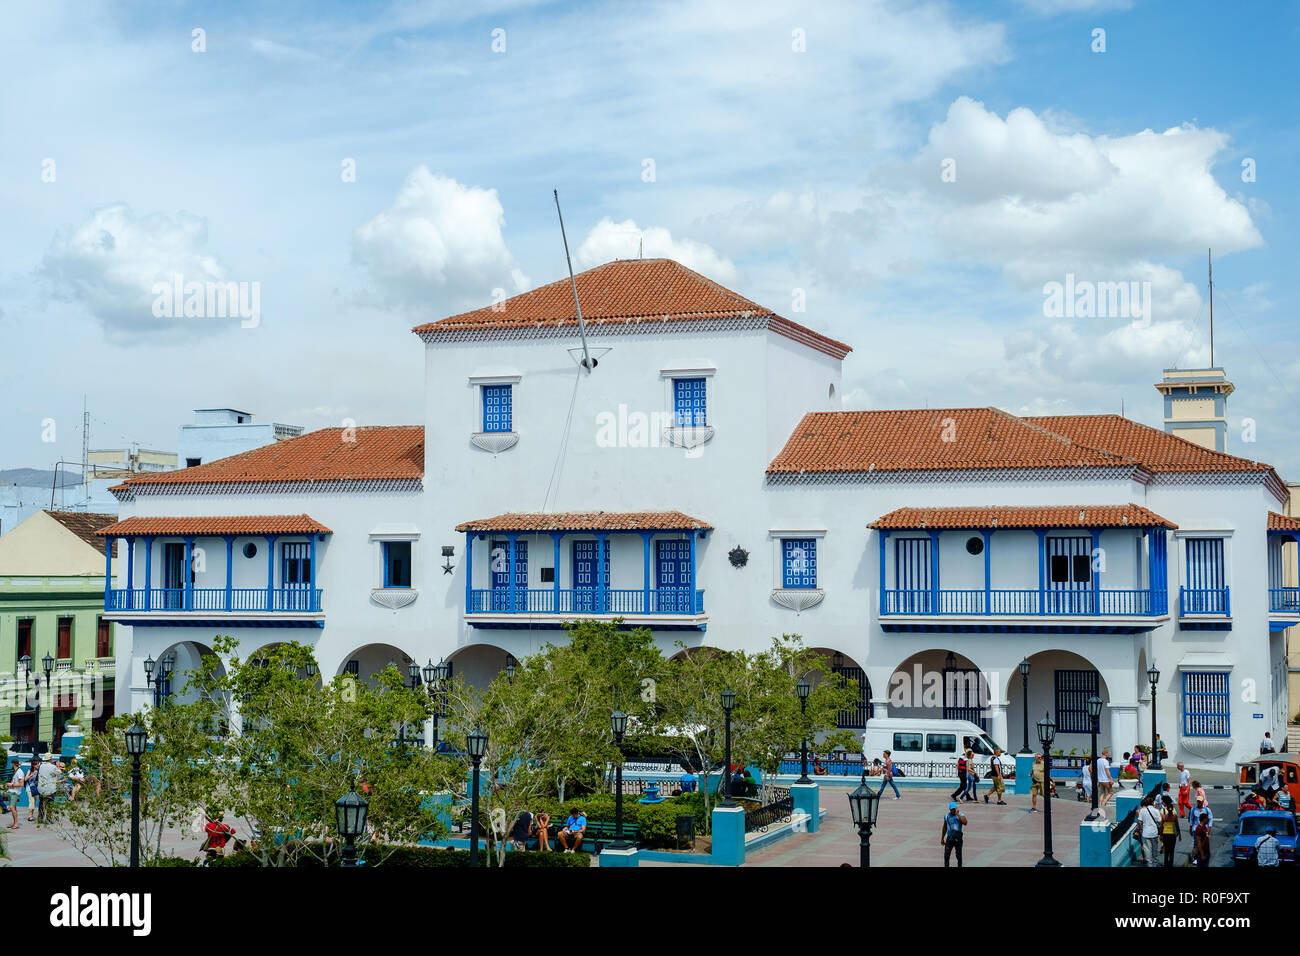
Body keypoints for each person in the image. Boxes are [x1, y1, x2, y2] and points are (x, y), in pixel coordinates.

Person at [36, 753, 62, 825]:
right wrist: (58, 766)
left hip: (41, 788)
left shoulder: (41, 766)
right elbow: (59, 774)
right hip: (50, 788)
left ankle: (40, 818)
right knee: (50, 804)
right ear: (50, 759)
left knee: (41, 803)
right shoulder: (53, 767)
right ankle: (48, 818)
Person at [1137, 795, 1162, 867]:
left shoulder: (1142, 811)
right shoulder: (1156, 811)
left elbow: (1139, 822)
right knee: (1155, 849)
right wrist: (1161, 831)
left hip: (1145, 833)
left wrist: (1141, 829)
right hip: (1154, 833)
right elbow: (1160, 822)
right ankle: (1155, 863)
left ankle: (1149, 864)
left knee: (1147, 850)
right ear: (1152, 803)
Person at [941, 801, 967, 867]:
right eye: (952, 809)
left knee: (958, 856)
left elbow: (965, 822)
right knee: (946, 855)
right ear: (949, 809)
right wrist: (942, 838)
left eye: (954, 809)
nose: (953, 810)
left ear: (956, 808)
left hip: (958, 839)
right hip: (949, 838)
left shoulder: (961, 814)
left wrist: (958, 814)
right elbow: (944, 827)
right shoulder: (946, 816)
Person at [1159, 796, 1181, 867]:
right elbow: (1177, 826)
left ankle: (1166, 864)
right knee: (1172, 850)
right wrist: (1179, 835)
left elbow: (1161, 826)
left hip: (1166, 834)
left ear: (1167, 809)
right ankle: (1171, 864)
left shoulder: (1164, 816)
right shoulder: (1174, 816)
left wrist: (1161, 835)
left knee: (1166, 850)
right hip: (1173, 835)